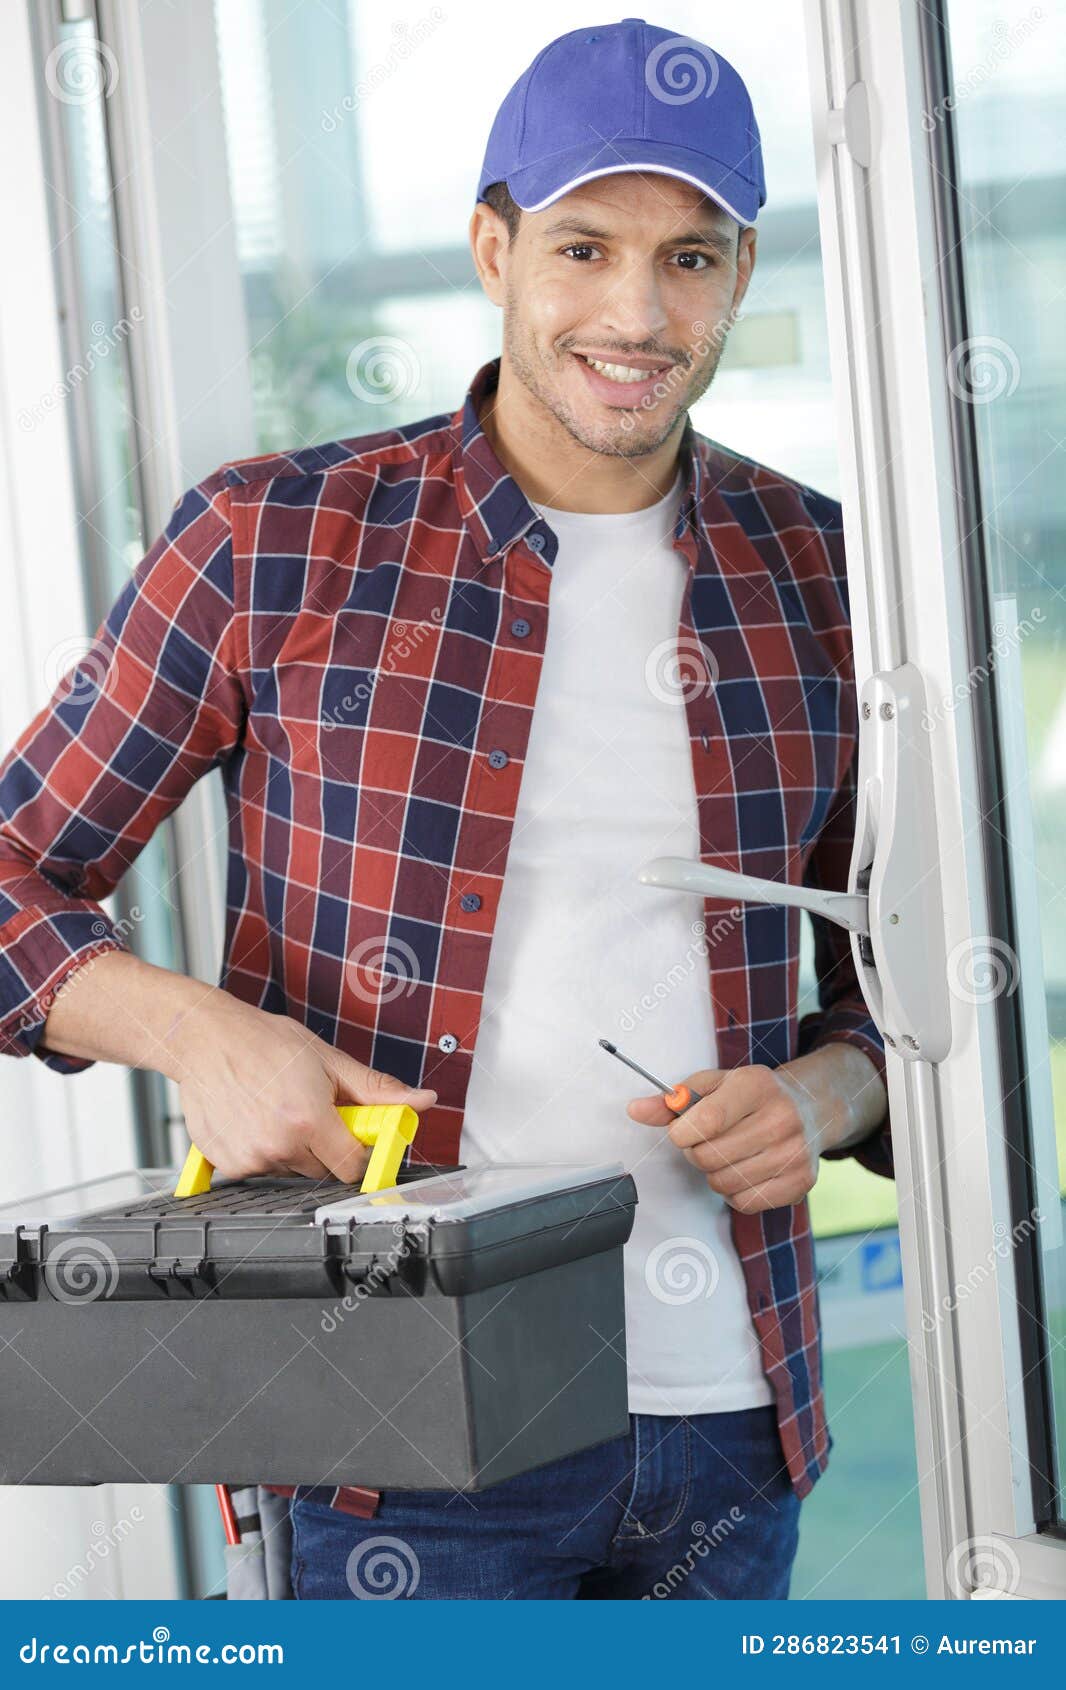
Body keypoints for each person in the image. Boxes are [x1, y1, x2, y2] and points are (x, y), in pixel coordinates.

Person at [0, 19, 892, 1599]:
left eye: (687, 257)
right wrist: (201, 1033)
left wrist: (820, 1102)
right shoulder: (275, 540)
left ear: (741, 269)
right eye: (583, 247)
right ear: (493, 249)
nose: (635, 311)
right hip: (390, 1426)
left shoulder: (825, 571)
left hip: (730, 1422)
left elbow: (906, 987)